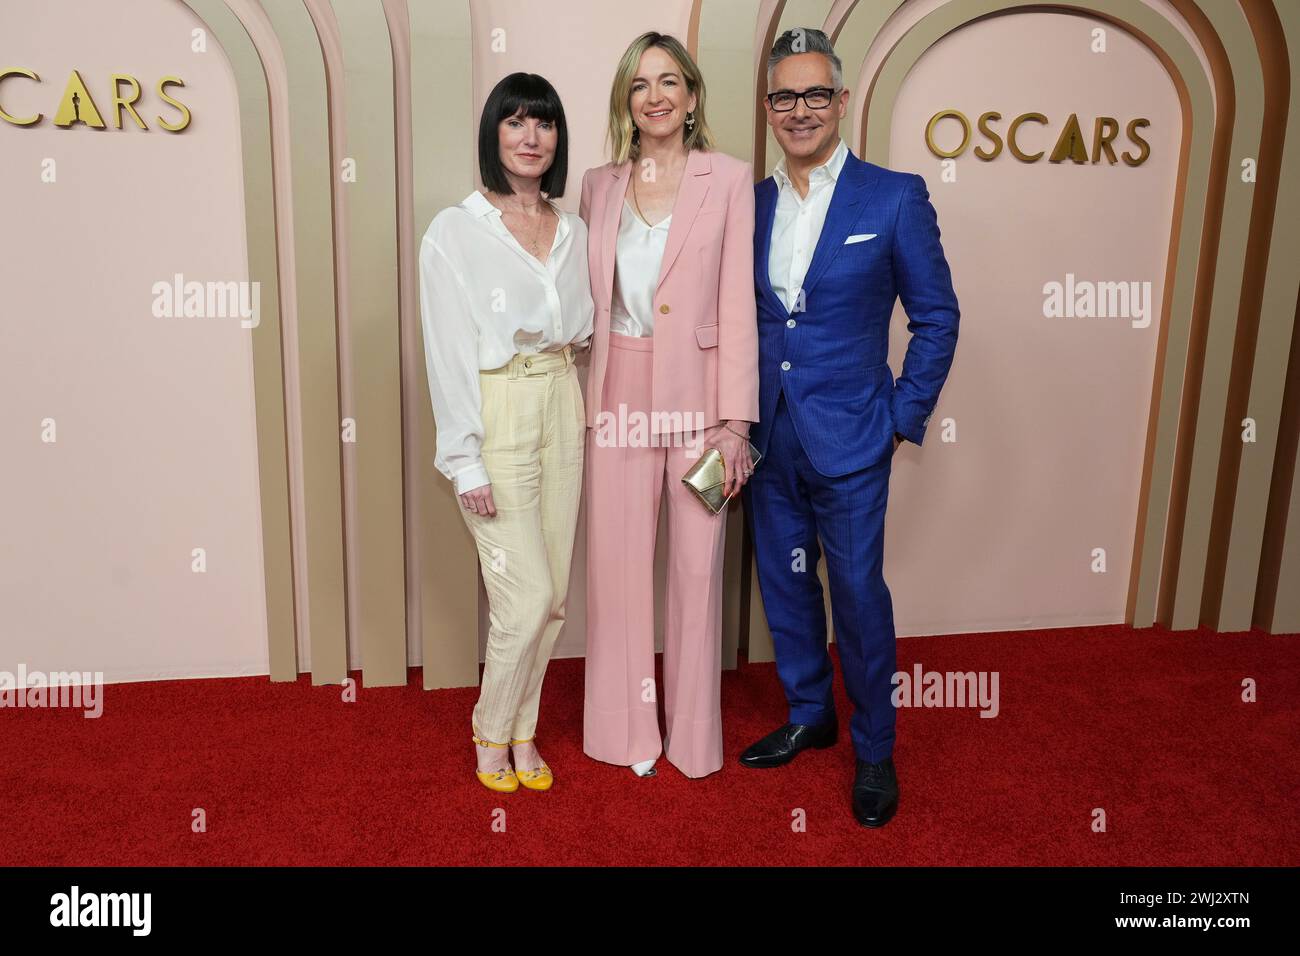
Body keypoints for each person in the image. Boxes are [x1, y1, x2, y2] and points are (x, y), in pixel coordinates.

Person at [740, 28, 960, 827]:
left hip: (856, 435)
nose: (800, 111)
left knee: (859, 595)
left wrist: (903, 418)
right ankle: (811, 711)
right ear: (768, 110)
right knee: (786, 582)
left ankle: (875, 747)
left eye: (815, 94)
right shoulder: (751, 202)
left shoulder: (893, 196)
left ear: (840, 101)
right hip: (768, 433)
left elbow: (937, 317)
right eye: (783, 97)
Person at [579, 31, 759, 779]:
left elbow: (739, 303)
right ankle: (622, 733)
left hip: (701, 402)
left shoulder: (731, 178)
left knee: (696, 570)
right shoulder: (598, 184)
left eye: (668, 82)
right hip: (618, 389)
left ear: (691, 97)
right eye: (639, 84)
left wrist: (736, 423)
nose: (654, 96)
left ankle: (690, 739)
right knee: (616, 570)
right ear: (627, 100)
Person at [418, 72, 593, 793]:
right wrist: (465, 462)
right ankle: (491, 728)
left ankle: (524, 732)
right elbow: (447, 351)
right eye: (516, 122)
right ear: (494, 134)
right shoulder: (455, 231)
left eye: (544, 124)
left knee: (552, 597)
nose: (531, 137)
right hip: (498, 409)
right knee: (522, 596)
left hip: (563, 396)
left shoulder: (573, 228)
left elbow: (580, 331)